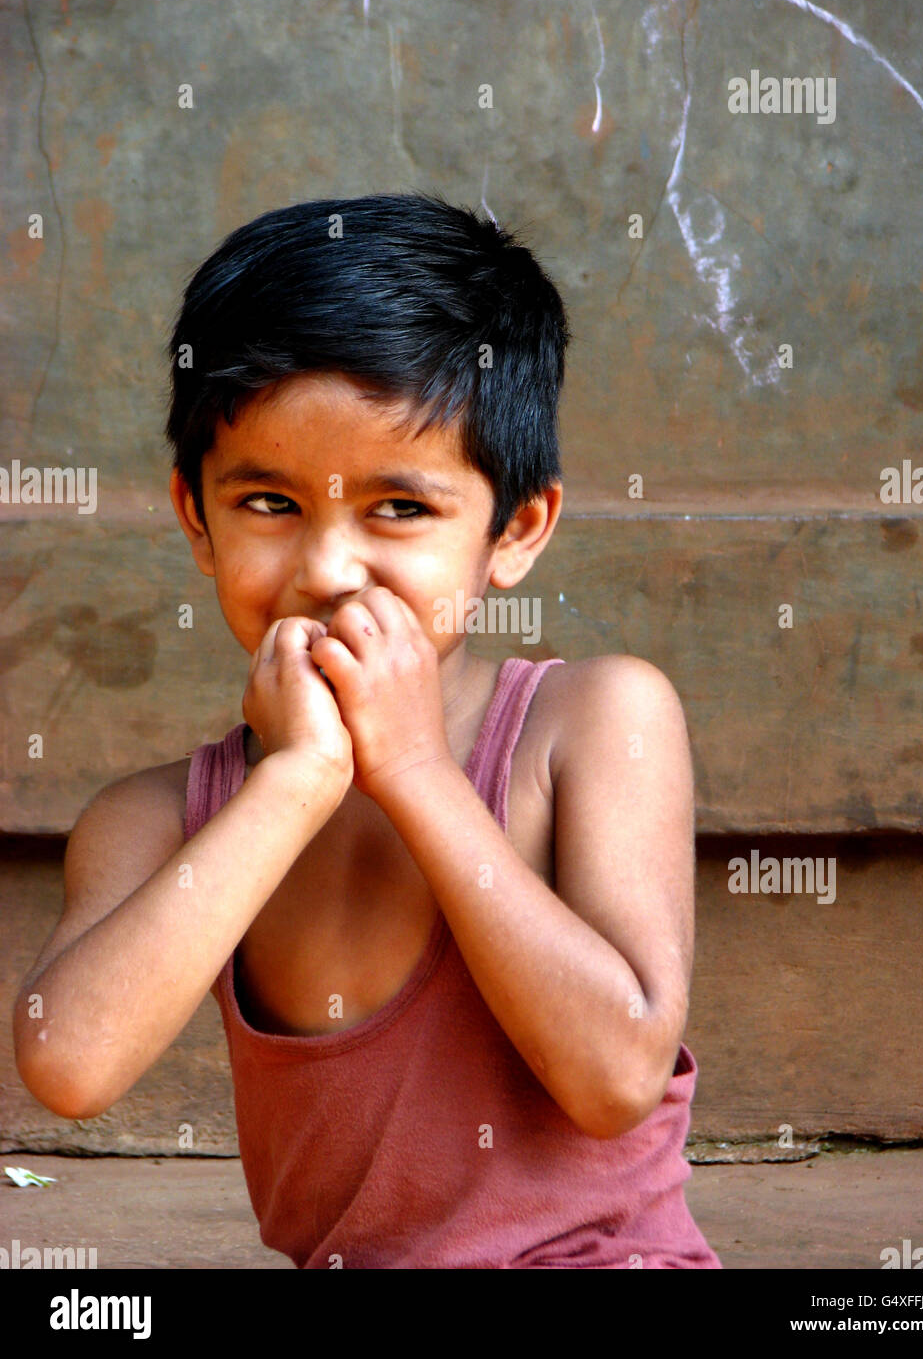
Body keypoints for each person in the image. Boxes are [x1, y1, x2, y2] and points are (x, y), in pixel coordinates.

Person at [14, 192, 720, 1269]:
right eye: (267, 504)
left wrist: (418, 769)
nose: (329, 569)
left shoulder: (594, 723)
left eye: (399, 508)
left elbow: (618, 1074)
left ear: (516, 528)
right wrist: (294, 782)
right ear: (195, 519)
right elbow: (67, 1063)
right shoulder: (159, 820)